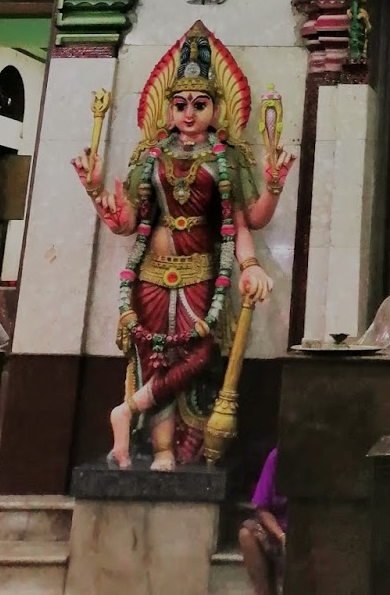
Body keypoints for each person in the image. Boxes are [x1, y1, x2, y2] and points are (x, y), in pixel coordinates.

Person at [72, 29, 295, 469]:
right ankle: (160, 452)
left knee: (200, 355)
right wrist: (97, 191)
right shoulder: (150, 156)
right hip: (152, 274)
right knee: (157, 358)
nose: (189, 114)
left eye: (199, 105)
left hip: (201, 276)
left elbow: (248, 219)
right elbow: (127, 223)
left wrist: (271, 193)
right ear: (168, 111)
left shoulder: (226, 156)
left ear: (216, 109)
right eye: (180, 105)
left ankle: (129, 410)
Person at [240, 447, 287, 595]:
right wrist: (281, 535)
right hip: (280, 533)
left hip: (311, 535)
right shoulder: (276, 457)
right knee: (247, 534)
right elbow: (262, 508)